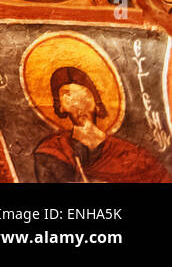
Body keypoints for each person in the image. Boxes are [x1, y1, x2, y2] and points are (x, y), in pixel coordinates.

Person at [33, 66, 171, 182]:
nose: (78, 104)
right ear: (60, 107)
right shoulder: (52, 151)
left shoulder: (132, 156)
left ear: (97, 102)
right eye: (68, 97)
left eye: (84, 95)